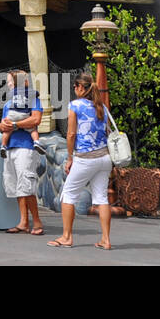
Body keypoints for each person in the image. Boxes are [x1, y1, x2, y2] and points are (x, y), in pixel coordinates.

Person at [49, 70, 114, 250]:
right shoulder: (102, 106)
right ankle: (106, 240)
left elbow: (71, 134)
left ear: (80, 87)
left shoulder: (75, 105)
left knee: (68, 195)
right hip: (104, 157)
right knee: (102, 198)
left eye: (75, 86)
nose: (74, 89)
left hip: (86, 158)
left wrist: (70, 157)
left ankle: (66, 237)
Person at [0, 69, 44, 235]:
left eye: (11, 81)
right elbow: (1, 125)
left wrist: (16, 125)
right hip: (10, 147)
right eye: (8, 82)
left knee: (26, 185)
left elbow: (36, 119)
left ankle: (37, 223)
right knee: (18, 186)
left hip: (26, 147)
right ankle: (23, 222)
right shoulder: (8, 103)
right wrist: (2, 126)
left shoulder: (33, 99)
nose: (9, 85)